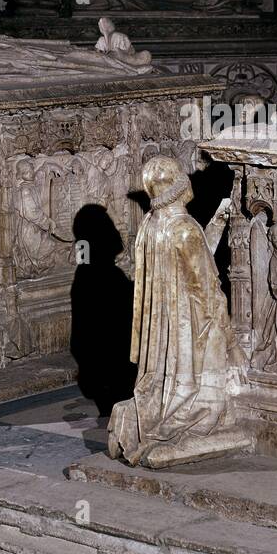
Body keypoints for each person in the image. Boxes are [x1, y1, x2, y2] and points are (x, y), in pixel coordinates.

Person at [107, 157, 252, 468]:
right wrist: (231, 344)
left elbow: (193, 263)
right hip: (190, 330)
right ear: (178, 188)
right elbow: (209, 290)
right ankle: (189, 422)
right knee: (207, 390)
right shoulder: (184, 229)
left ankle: (154, 419)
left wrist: (216, 223)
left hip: (165, 332)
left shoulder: (152, 224)